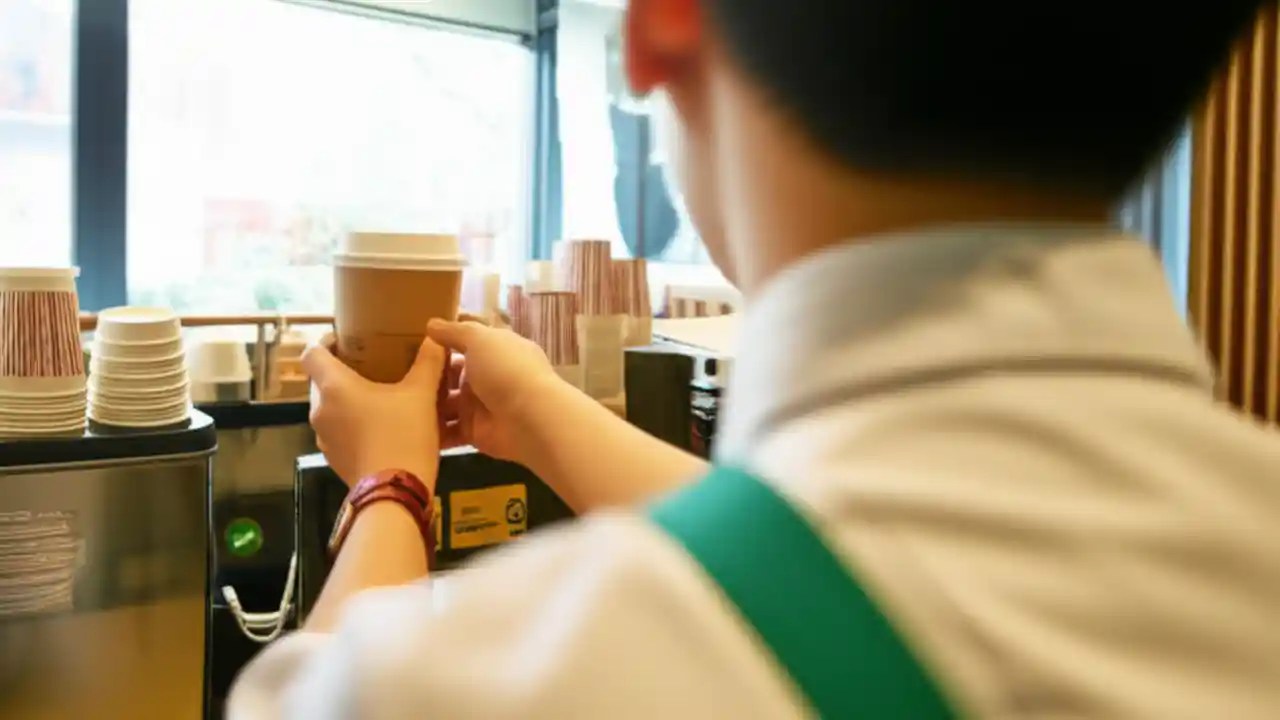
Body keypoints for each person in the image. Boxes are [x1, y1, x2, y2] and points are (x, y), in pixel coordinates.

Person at [230, 1, 1280, 717]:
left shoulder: (488, 684)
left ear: (663, 23)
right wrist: (542, 413)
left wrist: (389, 489)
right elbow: (845, 550)